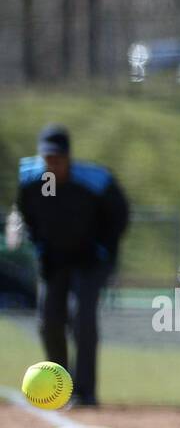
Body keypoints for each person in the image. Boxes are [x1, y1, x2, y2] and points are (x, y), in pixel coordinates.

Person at [12, 124, 130, 407]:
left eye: (57, 159)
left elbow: (119, 215)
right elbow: (25, 213)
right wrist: (33, 241)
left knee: (81, 317)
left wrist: (104, 250)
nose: (52, 164)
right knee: (49, 320)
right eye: (47, 159)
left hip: (91, 260)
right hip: (54, 260)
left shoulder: (94, 182)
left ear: (68, 158)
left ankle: (85, 394)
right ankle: (60, 385)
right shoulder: (34, 182)